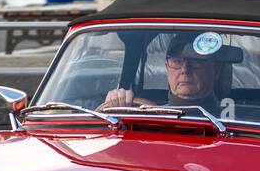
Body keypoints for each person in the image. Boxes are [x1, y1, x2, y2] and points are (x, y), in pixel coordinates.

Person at [99, 32, 238, 115]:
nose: (185, 69)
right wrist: (116, 102)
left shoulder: (233, 120)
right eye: (177, 61)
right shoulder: (141, 113)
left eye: (196, 62)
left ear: (216, 71)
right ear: (167, 67)